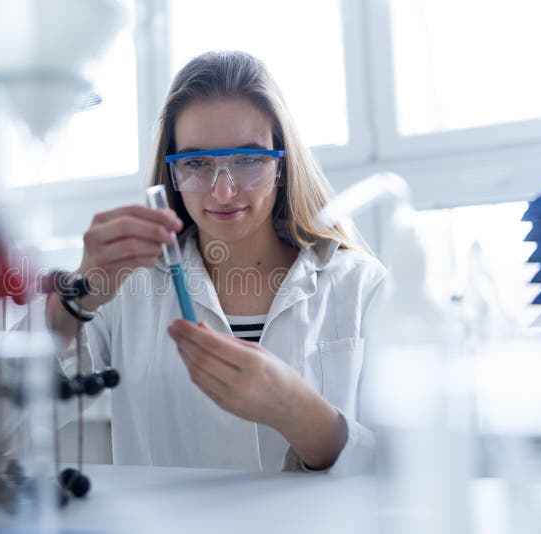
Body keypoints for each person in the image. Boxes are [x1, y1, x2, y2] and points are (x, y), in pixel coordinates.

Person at [35, 51, 386, 474]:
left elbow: (404, 472)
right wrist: (77, 298)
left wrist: (298, 410)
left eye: (248, 160)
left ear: (281, 165)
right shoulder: (129, 286)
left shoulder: (362, 287)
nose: (223, 192)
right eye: (197, 163)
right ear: (173, 174)